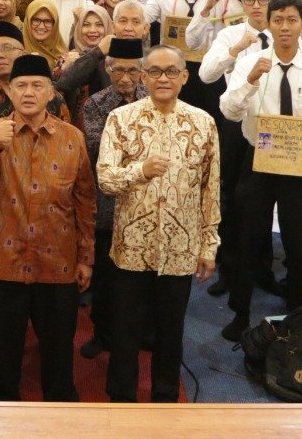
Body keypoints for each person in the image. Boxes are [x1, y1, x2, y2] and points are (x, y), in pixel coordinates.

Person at [0, 53, 95, 402]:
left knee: (58, 355)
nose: (28, 92)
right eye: (20, 85)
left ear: (51, 91)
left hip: (57, 265)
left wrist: (86, 257)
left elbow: (85, 201)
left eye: (36, 85)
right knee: (3, 359)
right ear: (10, 91)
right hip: (2, 263)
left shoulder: (72, 137)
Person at [96, 44, 218, 403]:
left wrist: (208, 246)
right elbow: (105, 178)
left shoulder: (203, 123)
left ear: (184, 77)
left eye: (170, 71)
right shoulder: (121, 119)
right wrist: (140, 171)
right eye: (154, 72)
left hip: (181, 247)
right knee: (126, 330)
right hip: (131, 246)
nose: (162, 78)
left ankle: (166, 400)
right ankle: (121, 399)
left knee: (171, 330)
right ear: (143, 77)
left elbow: (211, 190)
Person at [218, 0, 302, 340]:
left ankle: (298, 318)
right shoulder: (250, 63)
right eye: (278, 20)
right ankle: (240, 313)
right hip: (258, 161)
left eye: (291, 20)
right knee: (247, 241)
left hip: (301, 167)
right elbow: (229, 111)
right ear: (268, 25)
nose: (284, 27)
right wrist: (251, 80)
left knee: (300, 245)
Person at [76, 36, 145, 360]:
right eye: (119, 70)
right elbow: (96, 150)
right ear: (108, 68)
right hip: (106, 203)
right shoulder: (96, 104)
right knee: (105, 277)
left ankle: (142, 333)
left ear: (143, 71)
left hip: (145, 203)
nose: (126, 78)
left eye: (133, 71)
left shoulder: (155, 100)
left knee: (141, 277)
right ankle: (101, 334)